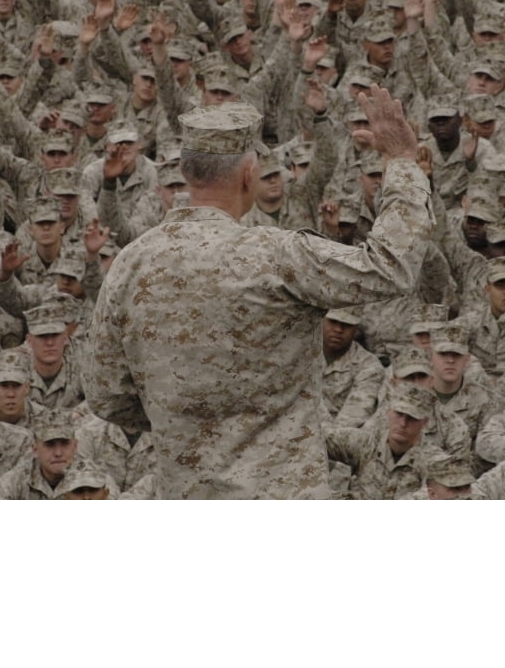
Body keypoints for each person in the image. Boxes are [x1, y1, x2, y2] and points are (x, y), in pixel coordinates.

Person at [87, 86, 432, 499]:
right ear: (249, 176)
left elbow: (107, 397)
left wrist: (190, 421)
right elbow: (390, 266)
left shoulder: (130, 264)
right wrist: (402, 163)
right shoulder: (277, 257)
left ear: (187, 171)